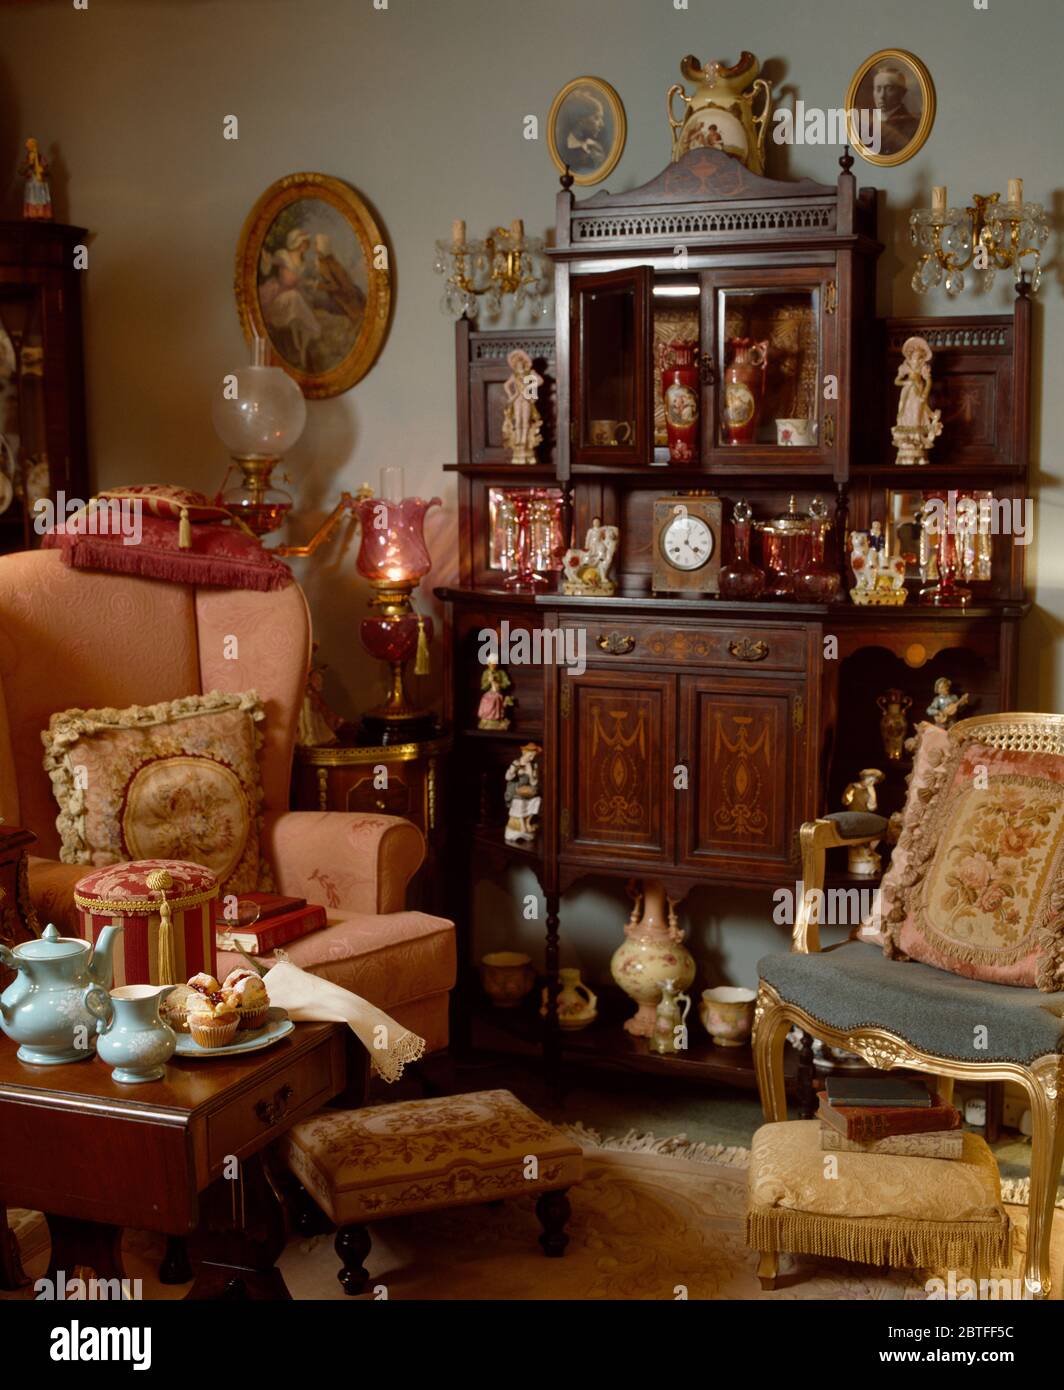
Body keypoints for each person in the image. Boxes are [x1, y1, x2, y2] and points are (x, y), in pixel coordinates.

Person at [258, 228, 321, 368]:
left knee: (302, 306)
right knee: (294, 298)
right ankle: (297, 342)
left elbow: (299, 281)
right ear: (298, 243)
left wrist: (310, 283)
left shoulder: (303, 263)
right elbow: (272, 261)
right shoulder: (284, 255)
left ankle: (302, 350)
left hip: (296, 295)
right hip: (279, 296)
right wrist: (266, 258)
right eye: (305, 242)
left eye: (307, 242)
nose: (307, 245)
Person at [867, 65, 919, 157]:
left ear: (902, 93)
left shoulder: (913, 127)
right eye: (878, 89)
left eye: (889, 89)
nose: (882, 96)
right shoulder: (867, 124)